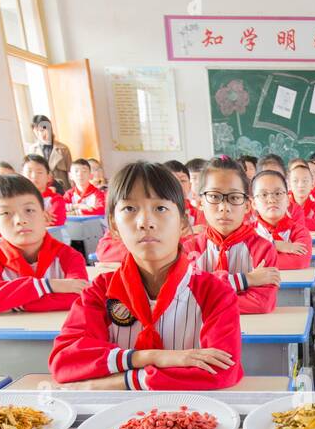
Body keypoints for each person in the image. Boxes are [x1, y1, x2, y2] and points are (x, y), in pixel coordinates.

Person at [48, 161, 243, 390]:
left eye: (160, 208)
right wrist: (151, 357)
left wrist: (123, 381)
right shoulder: (101, 291)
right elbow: (64, 362)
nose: (145, 222)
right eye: (130, 209)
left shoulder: (213, 291)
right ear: (113, 223)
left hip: (192, 417)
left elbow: (221, 372)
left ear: (182, 221)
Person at [0, 174, 88, 315]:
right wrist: (48, 285)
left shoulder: (69, 256)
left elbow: (79, 297)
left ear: (45, 216)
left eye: (29, 210)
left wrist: (10, 304)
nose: (20, 220)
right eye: (5, 213)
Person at [181, 156, 281, 314]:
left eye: (234, 198)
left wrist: (207, 296)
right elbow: (184, 298)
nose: (224, 207)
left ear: (247, 206)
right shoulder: (189, 249)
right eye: (214, 196)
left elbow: (262, 303)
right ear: (200, 203)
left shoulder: (263, 249)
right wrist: (246, 279)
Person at [251, 169, 312, 270]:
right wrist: (274, 245)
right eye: (264, 195)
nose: (271, 200)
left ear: (288, 200)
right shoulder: (247, 232)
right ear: (254, 204)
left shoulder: (300, 232)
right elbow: (240, 260)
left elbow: (299, 262)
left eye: (278, 193)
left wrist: (258, 256)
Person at [25, 114, 72, 190]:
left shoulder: (63, 149)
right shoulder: (32, 150)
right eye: (37, 130)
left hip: (62, 190)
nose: (41, 133)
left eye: (44, 129)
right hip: (42, 191)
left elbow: (71, 174)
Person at [20, 153, 68, 227]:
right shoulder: (17, 200)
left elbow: (55, 221)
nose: (34, 176)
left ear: (48, 177)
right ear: (22, 176)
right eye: (29, 171)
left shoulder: (56, 199)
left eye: (39, 172)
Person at [288, 159, 315, 233]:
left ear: (312, 183)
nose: (301, 185)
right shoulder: (284, 203)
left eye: (305, 181)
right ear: (289, 184)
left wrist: (292, 221)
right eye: (295, 181)